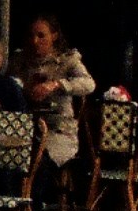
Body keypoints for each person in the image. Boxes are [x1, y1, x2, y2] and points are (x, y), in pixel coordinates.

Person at [15, 11, 95, 181]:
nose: (35, 41)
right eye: (32, 36)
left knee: (39, 162)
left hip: (58, 131)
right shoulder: (21, 60)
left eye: (41, 36)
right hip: (26, 129)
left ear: (54, 36)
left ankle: (36, 204)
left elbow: (89, 84)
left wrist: (58, 84)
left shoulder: (66, 61)